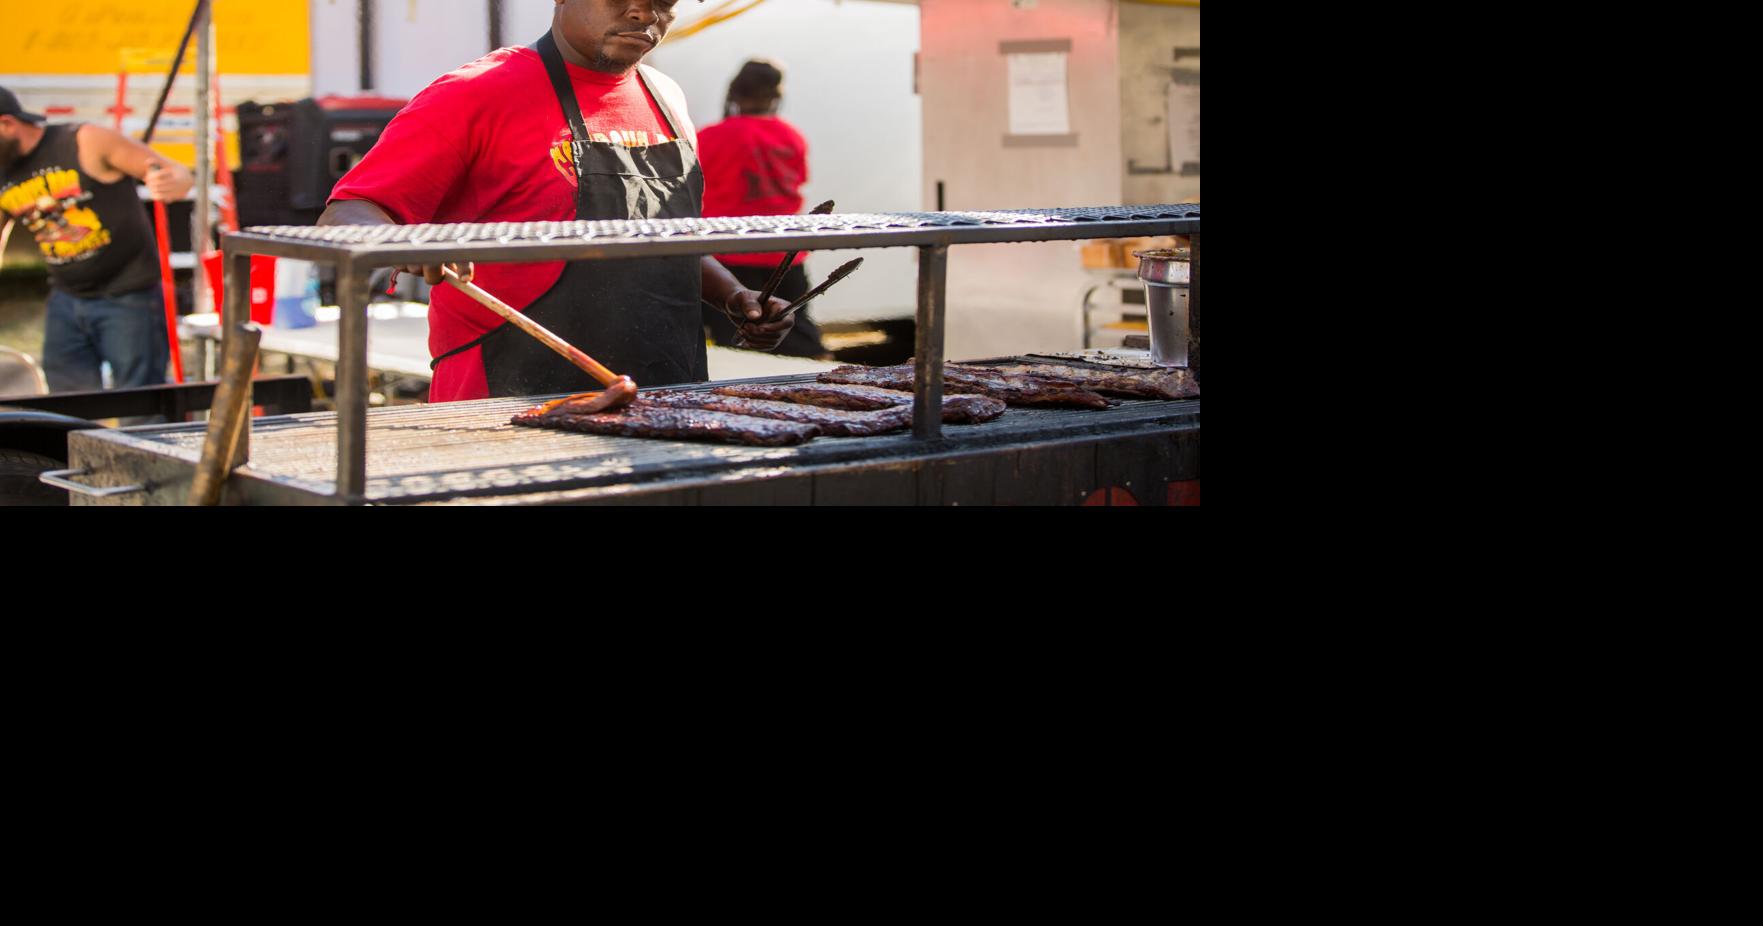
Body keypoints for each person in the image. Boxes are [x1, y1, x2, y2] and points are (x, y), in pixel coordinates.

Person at [320, 0, 795, 403]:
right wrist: (413, 241)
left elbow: (665, 237)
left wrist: (733, 295)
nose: (642, 12)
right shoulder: (475, 93)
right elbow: (345, 214)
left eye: (663, 1)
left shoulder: (666, 97)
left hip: (665, 391)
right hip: (507, 396)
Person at [0, 85, 193, 393]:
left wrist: (171, 181)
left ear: (7, 124)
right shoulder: (4, 171)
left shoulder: (84, 141)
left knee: (140, 403)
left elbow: (177, 173)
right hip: (66, 298)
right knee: (68, 407)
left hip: (129, 295)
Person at [696, 58, 826, 358]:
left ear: (734, 94)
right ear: (775, 96)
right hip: (783, 252)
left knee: (740, 344)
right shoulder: (792, 136)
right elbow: (799, 180)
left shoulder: (710, 136)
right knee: (793, 333)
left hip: (726, 254)